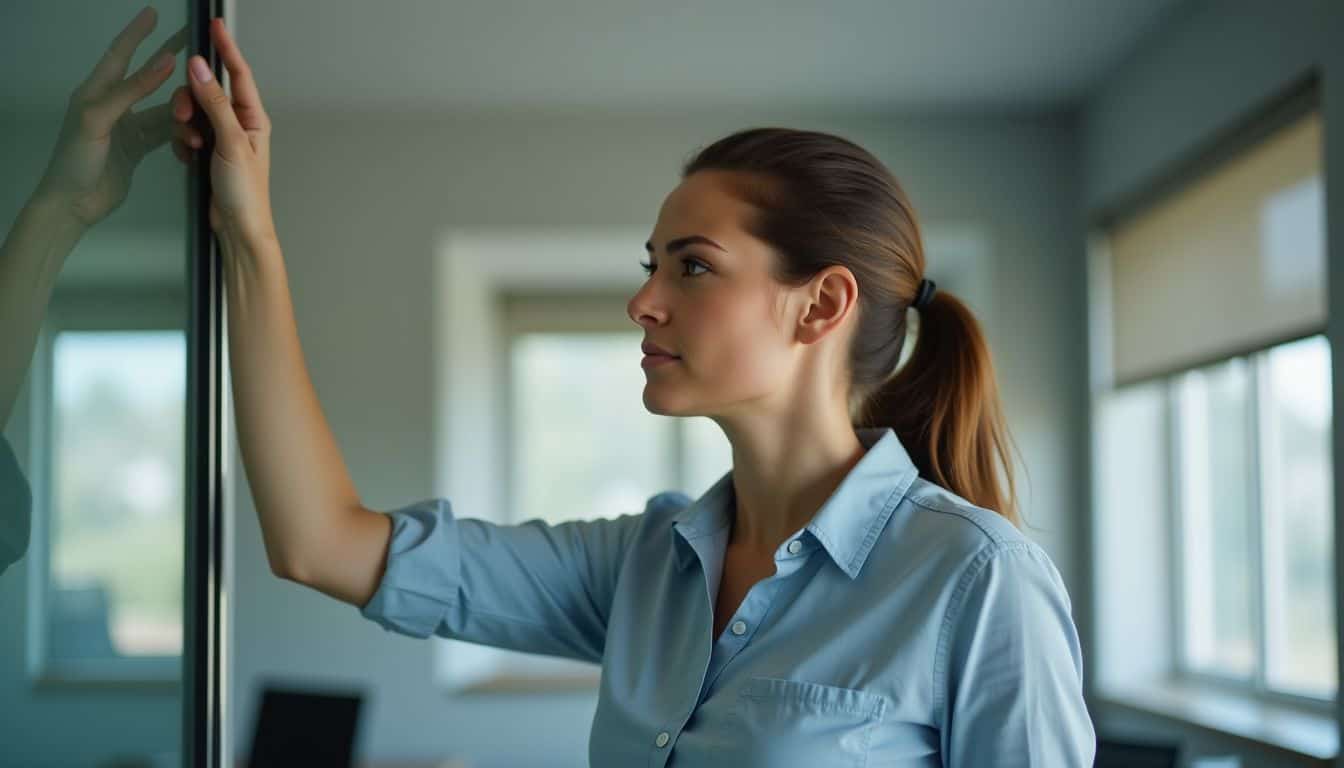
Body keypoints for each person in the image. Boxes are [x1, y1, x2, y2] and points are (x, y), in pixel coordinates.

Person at [173, 18, 1096, 766]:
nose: (643, 301)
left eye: (693, 268)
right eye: (653, 265)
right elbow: (319, 543)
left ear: (821, 305)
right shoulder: (647, 566)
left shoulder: (976, 580)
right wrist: (248, 235)